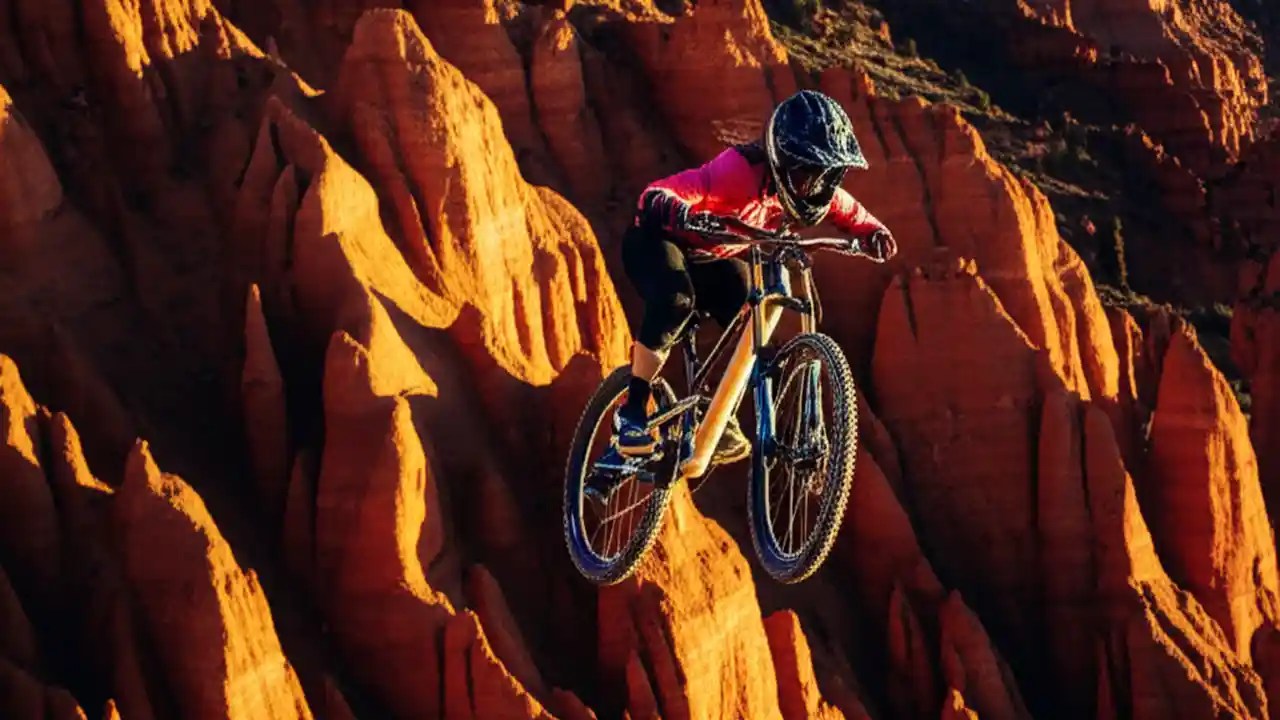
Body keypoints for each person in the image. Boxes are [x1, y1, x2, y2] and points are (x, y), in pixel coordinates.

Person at [590, 90, 897, 499]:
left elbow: (846, 208)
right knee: (675, 301)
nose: (815, 187)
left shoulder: (813, 192)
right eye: (809, 174)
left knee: (748, 319)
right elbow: (660, 193)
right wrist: (675, 209)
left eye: (825, 177)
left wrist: (872, 231)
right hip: (658, 240)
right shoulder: (738, 172)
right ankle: (631, 413)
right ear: (784, 163)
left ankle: (716, 416)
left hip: (715, 257)